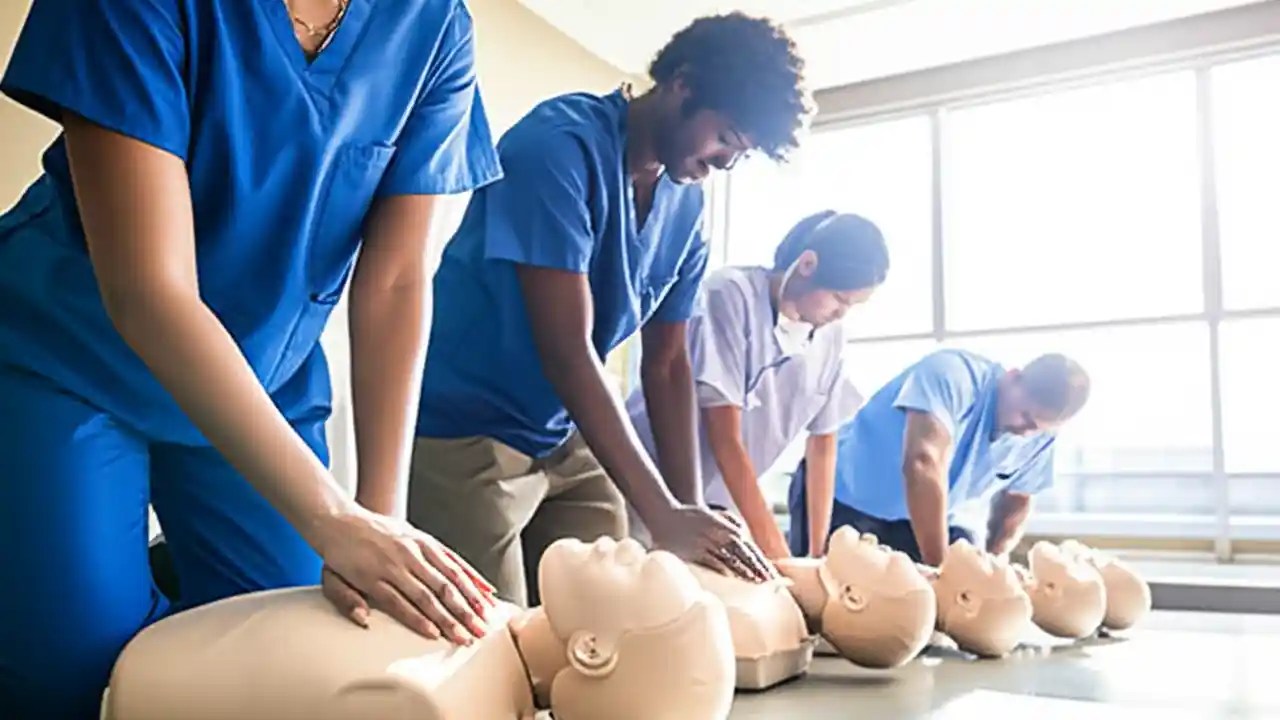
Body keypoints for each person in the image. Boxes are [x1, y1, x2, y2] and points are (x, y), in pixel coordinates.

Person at [0, 0, 504, 716]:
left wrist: (377, 519)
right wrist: (332, 518)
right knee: (71, 668)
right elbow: (150, 292)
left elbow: (394, 283)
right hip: (70, 358)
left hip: (266, 380)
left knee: (307, 654)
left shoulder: (432, 25)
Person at [408, 12, 813, 606]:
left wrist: (688, 510)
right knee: (492, 648)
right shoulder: (556, 149)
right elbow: (568, 351)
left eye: (741, 152)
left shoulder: (685, 208)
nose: (725, 162)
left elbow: (669, 364)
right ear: (682, 84)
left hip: (563, 437)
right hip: (465, 432)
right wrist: (663, 514)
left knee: (614, 620)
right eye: (724, 136)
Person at [626, 210, 889, 561]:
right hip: (645, 484)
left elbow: (823, 444)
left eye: (852, 305)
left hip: (717, 502)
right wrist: (779, 557)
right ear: (807, 264)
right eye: (840, 299)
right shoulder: (730, 295)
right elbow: (726, 438)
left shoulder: (831, 339)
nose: (842, 313)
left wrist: (815, 554)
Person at [787, 350, 1090, 566]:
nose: (1025, 432)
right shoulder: (952, 374)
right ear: (1013, 378)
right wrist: (941, 570)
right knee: (826, 603)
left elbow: (1017, 501)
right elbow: (922, 462)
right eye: (1025, 416)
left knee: (944, 598)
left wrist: (995, 563)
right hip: (841, 496)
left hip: (918, 520)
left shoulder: (1039, 435)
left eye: (1037, 428)